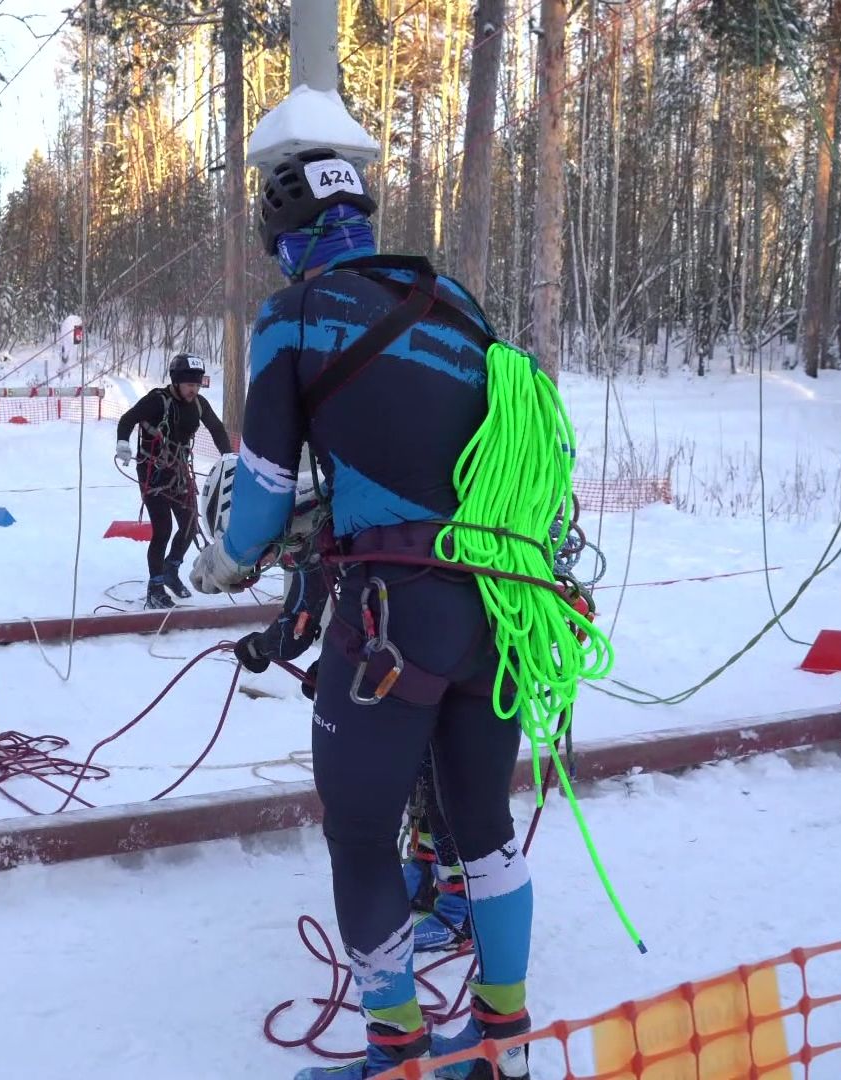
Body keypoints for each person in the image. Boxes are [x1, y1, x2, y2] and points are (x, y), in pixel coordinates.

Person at [190, 148, 534, 1079]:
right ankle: (504, 1044)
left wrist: (224, 559)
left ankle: (399, 1057)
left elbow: (260, 507)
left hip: (391, 614)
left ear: (289, 241)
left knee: (359, 836)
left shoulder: (293, 315)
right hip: (497, 605)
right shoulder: (458, 304)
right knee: (485, 829)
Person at [208, 453, 472, 955]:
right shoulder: (309, 531)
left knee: (438, 770)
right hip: (405, 642)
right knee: (415, 767)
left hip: (439, 634)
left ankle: (460, 904)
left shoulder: (329, 521)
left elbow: (307, 621)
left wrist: (284, 653)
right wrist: (297, 659)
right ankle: (423, 869)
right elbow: (309, 618)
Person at [115, 353, 232, 609]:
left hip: (178, 472)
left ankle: (171, 569)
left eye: (198, 384)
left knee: (190, 524)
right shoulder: (157, 401)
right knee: (163, 529)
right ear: (177, 381)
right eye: (190, 384)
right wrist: (123, 442)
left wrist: (229, 457)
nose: (194, 389)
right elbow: (128, 419)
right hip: (152, 473)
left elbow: (216, 428)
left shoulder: (199, 404)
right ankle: (155, 587)